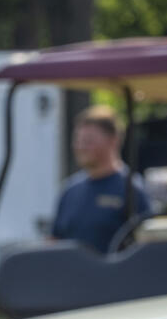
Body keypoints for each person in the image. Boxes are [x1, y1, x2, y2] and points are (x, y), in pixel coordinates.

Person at [52, 105, 152, 254]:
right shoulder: (70, 191)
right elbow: (54, 242)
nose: (81, 146)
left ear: (113, 141)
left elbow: (146, 247)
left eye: (88, 141)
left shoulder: (132, 190)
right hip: (71, 276)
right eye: (77, 140)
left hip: (115, 276)